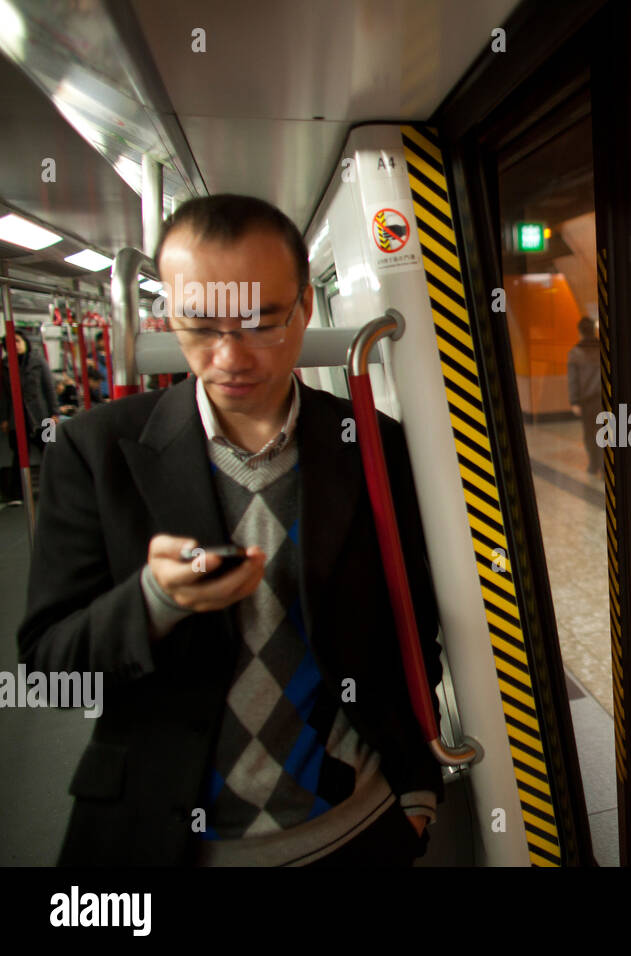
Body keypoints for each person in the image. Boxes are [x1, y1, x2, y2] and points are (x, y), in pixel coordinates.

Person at [17, 194, 444, 866]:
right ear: (169, 316)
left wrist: (415, 792)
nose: (229, 358)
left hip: (358, 828)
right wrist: (154, 602)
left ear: (305, 308)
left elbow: (414, 625)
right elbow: (48, 666)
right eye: (199, 327)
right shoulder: (95, 451)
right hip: (161, 839)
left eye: (261, 324)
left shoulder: (370, 443)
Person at [0, 328, 60, 498]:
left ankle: (59, 487)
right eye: (11, 344)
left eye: (18, 341)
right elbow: (3, 395)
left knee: (51, 451)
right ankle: (16, 493)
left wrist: (55, 412)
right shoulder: (5, 366)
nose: (16, 346)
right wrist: (4, 418)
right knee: (19, 456)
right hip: (17, 417)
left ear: (25, 343)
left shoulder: (38, 362)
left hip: (44, 414)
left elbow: (49, 389)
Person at [566, 315, 602, 474]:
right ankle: (603, 466)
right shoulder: (603, 348)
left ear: (580, 332)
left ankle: (594, 465)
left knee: (589, 434)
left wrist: (574, 401)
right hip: (603, 400)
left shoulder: (575, 353)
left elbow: (573, 380)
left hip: (586, 401)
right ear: (594, 331)